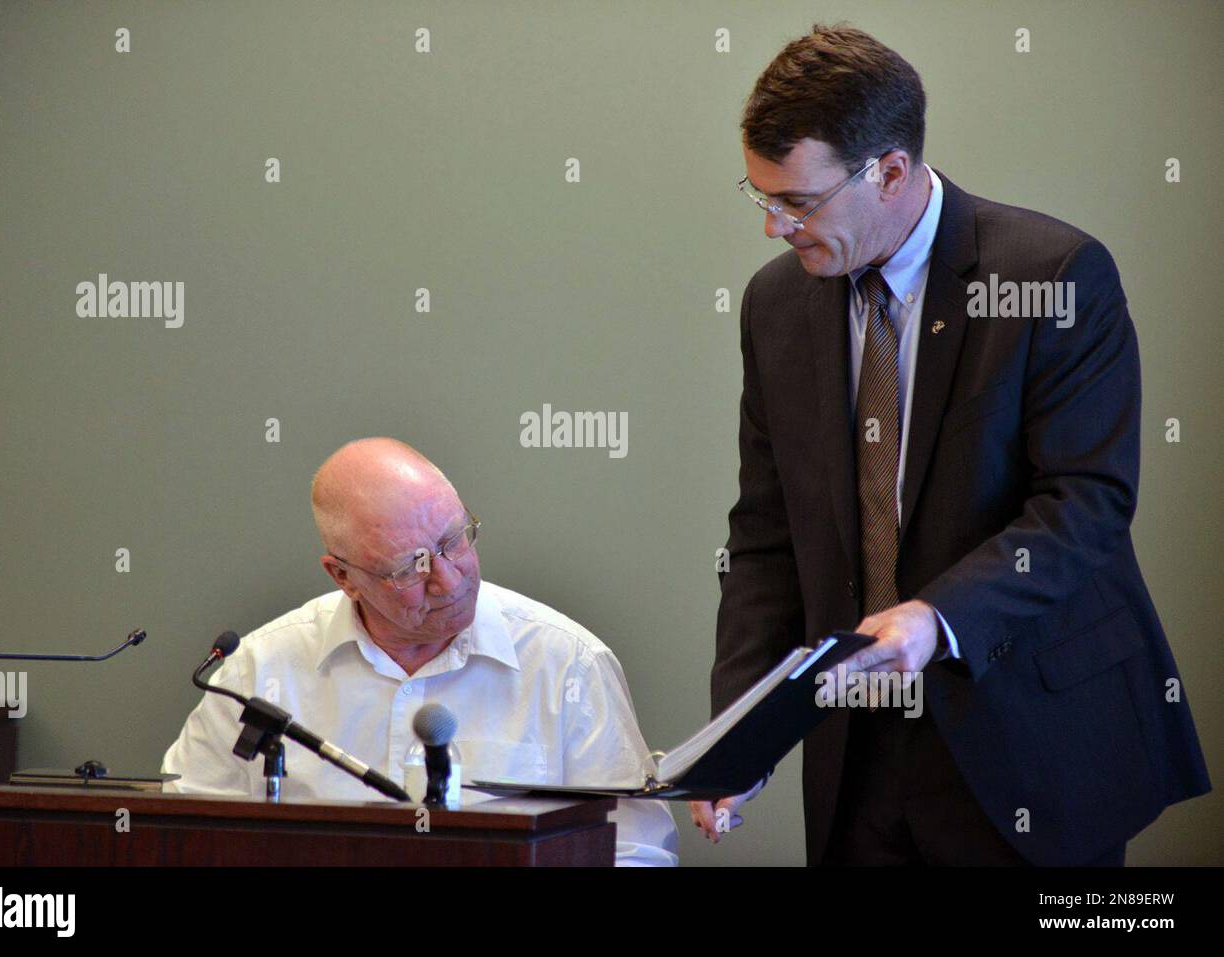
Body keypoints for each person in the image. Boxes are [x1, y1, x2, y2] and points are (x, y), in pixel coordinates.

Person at [690, 24, 1209, 865]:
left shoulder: (1053, 275)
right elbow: (765, 536)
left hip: (1029, 738)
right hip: (856, 757)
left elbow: (1085, 505)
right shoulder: (775, 305)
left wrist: (936, 620)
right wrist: (738, 736)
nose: (774, 228)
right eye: (761, 199)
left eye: (797, 202)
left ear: (890, 171)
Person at [163, 437, 678, 866]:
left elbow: (637, 852)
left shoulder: (567, 664)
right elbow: (181, 837)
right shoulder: (259, 671)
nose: (449, 579)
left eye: (455, 540)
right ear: (343, 576)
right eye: (410, 568)